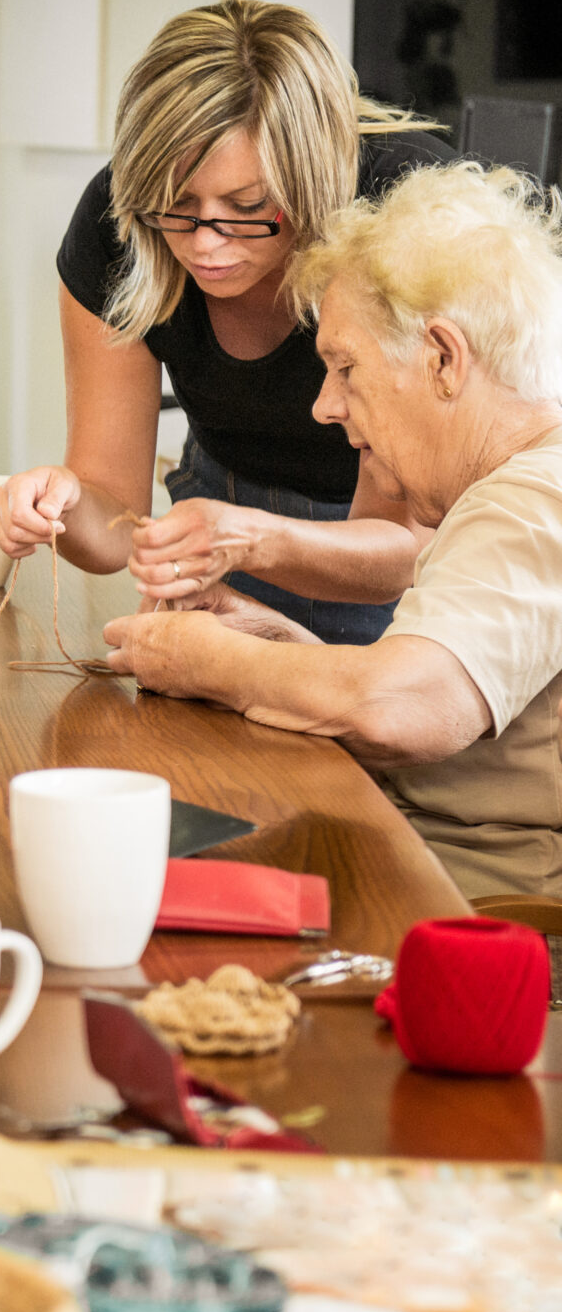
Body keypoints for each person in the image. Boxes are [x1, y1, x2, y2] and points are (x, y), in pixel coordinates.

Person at [103, 162, 562, 901]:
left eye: (346, 367)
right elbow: (418, 701)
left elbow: (400, 710)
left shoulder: (533, 500)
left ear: (443, 358)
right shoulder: (510, 490)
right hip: (403, 858)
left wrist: (208, 662)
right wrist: (270, 640)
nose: (325, 406)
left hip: (467, 912)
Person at [0, 0, 452, 644]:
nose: (205, 243)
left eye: (247, 205)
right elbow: (114, 525)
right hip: (217, 541)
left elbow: (403, 551)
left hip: (395, 578)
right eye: (177, 204)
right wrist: (64, 502)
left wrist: (245, 539)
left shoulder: (407, 218)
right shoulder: (120, 223)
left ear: (313, 179)